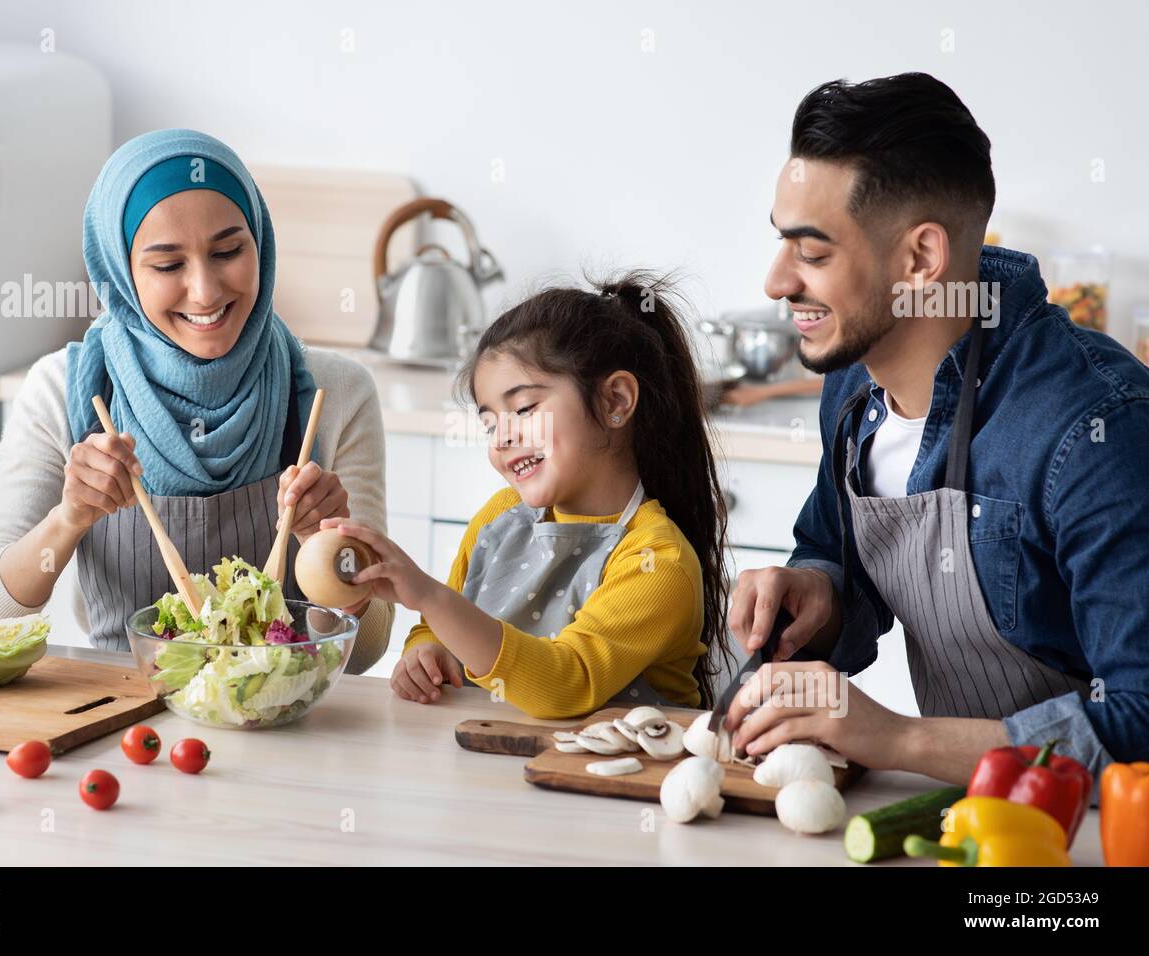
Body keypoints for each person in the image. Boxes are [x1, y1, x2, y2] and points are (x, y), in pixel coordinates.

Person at [727, 73, 1149, 787]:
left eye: (813, 253)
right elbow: (836, 553)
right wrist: (817, 596)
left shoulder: (1095, 431)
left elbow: (1141, 726)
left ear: (921, 260)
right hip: (970, 817)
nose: (775, 282)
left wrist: (897, 739)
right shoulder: (854, 384)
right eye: (782, 244)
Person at [0, 129, 391, 671]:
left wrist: (327, 549)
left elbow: (365, 652)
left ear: (261, 244)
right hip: (119, 724)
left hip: (287, 716)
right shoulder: (63, 391)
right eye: (167, 266)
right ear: (121, 271)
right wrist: (68, 519)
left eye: (229, 251)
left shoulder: (335, 393)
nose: (205, 291)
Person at [327, 273, 733, 719]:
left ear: (615, 400)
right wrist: (426, 651)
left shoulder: (658, 560)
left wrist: (426, 594)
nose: (502, 438)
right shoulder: (499, 518)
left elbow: (566, 682)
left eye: (523, 409)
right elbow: (439, 626)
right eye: (489, 423)